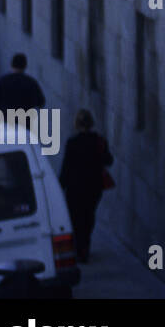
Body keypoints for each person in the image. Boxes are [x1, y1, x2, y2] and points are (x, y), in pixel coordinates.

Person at [59, 109, 113, 264]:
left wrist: (60, 186)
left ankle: (79, 249)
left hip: (75, 188)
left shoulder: (72, 143)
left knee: (76, 219)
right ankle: (85, 248)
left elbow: (66, 167)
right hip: (93, 187)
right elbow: (108, 160)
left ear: (77, 124)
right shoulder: (99, 141)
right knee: (89, 216)